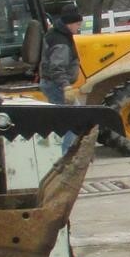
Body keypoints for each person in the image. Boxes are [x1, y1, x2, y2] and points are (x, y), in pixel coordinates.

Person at [40, 8, 82, 150]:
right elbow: (57, 68)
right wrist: (66, 86)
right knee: (74, 119)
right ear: (69, 24)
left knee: (65, 119)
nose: (79, 27)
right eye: (77, 24)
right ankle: (66, 154)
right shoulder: (61, 42)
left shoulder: (54, 33)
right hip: (57, 85)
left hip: (50, 83)